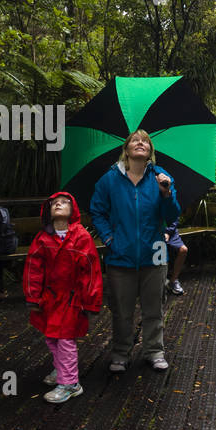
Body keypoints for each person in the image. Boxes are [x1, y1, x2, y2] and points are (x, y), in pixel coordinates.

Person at [87, 130, 183, 373]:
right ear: (127, 149)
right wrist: (109, 238)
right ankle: (121, 352)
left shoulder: (162, 178)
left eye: (145, 141)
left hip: (156, 252)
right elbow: (97, 211)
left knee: (154, 307)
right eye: (135, 140)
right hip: (121, 254)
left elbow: (172, 215)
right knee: (122, 310)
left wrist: (166, 194)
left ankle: (154, 351)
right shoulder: (109, 179)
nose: (140, 143)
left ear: (150, 150)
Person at [24, 190, 104, 404]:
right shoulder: (42, 238)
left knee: (65, 339)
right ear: (48, 211)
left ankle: (70, 383)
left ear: (73, 210)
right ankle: (61, 370)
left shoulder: (81, 236)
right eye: (54, 203)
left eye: (65, 202)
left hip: (72, 299)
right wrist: (33, 297)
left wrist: (91, 300)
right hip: (50, 298)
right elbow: (34, 269)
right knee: (51, 336)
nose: (59, 205)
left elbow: (91, 270)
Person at [163, 223, 190, 297]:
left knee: (183, 250)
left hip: (171, 232)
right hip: (156, 231)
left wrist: (168, 232)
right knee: (160, 249)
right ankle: (160, 281)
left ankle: (173, 280)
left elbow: (174, 218)